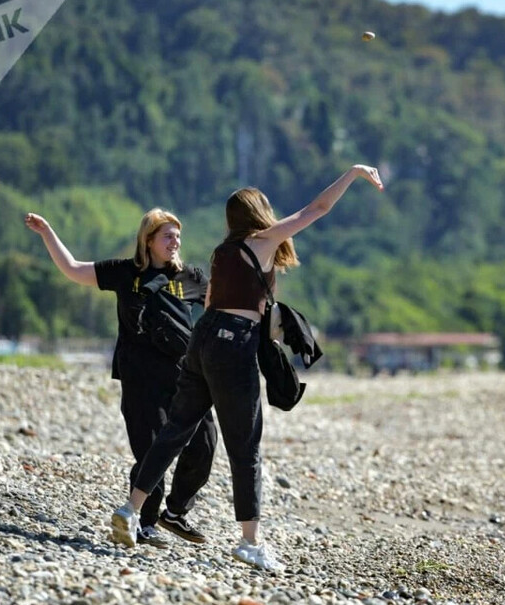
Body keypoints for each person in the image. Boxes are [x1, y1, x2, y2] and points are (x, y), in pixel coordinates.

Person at [108, 164, 384, 569]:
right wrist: (354, 174)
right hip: (232, 344)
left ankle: (131, 510)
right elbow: (318, 208)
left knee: (175, 430)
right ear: (260, 213)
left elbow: (209, 305)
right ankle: (249, 542)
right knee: (246, 445)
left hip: (202, 340)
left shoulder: (222, 252)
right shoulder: (263, 241)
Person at [25, 209, 218, 548]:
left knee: (205, 443)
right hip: (140, 379)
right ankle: (144, 523)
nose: (175, 242)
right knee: (151, 451)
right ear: (148, 240)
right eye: (167, 236)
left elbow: (225, 305)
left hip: (184, 377)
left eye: (177, 236)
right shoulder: (125, 272)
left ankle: (174, 512)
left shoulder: (190, 277)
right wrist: (47, 233)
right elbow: (72, 269)